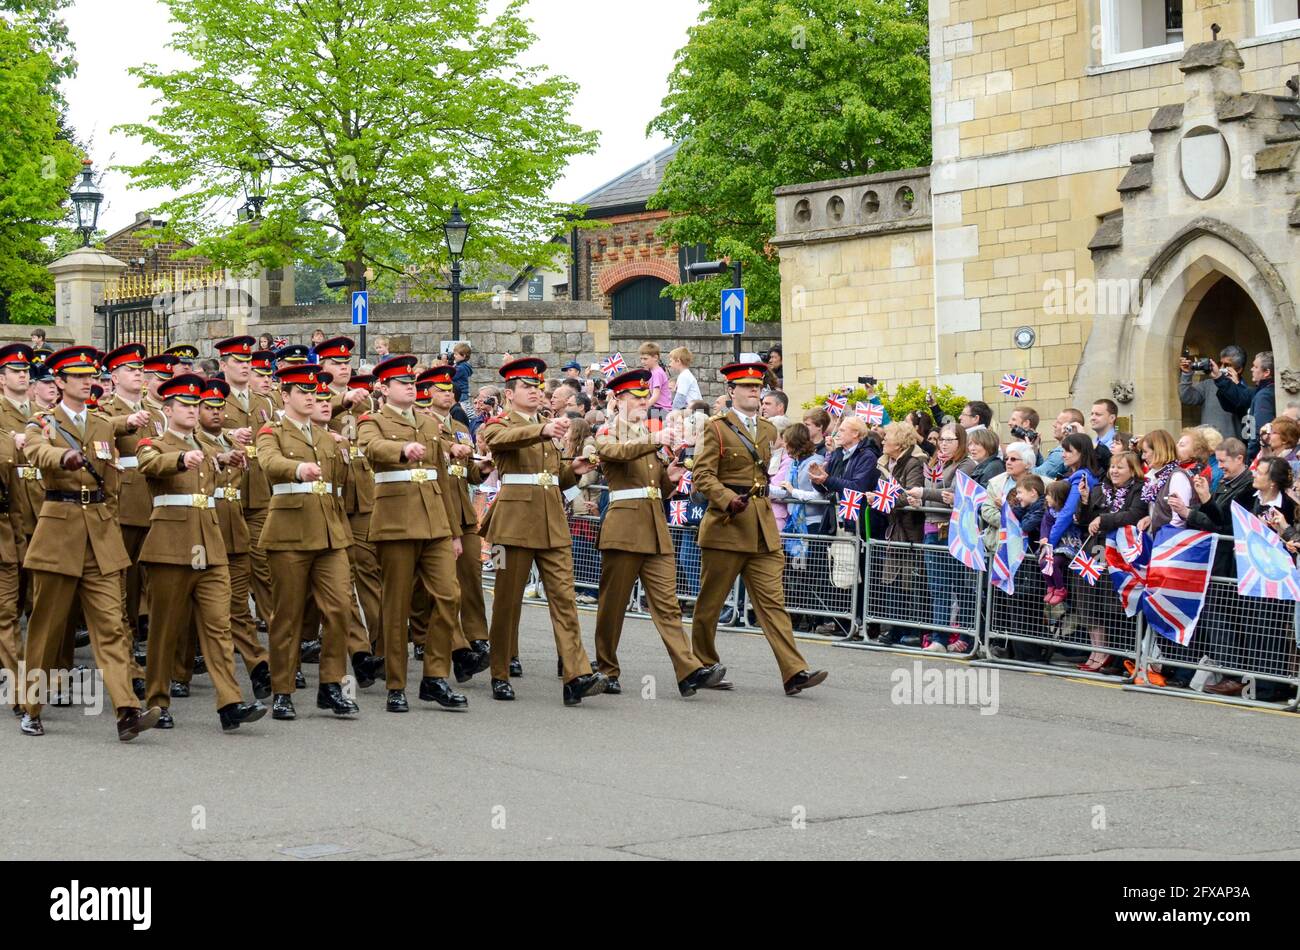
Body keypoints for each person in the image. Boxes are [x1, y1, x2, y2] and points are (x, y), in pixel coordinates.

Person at [19, 346, 162, 741]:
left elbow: (118, 458)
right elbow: (34, 449)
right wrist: (61, 457)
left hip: (99, 536)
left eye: (90, 376)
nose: (87, 381)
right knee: (47, 628)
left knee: (111, 627)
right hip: (59, 534)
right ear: (59, 383)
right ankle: (31, 707)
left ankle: (126, 710)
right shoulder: (43, 421)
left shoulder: (101, 424)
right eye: (78, 377)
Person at [135, 373, 267, 732]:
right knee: (165, 629)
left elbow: (214, 466)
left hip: (210, 548)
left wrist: (226, 460)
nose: (193, 411)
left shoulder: (210, 449)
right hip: (170, 549)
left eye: (197, 405)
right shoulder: (154, 443)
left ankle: (230, 702)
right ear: (167, 409)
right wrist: (180, 459)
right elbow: (150, 465)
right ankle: (158, 700)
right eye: (186, 405)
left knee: (218, 626)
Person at [690, 361, 829, 694]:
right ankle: (703, 664)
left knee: (772, 603)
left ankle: (794, 671)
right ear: (731, 391)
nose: (755, 391)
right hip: (727, 523)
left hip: (762, 525)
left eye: (758, 386)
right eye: (747, 387)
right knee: (711, 602)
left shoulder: (768, 429)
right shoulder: (716, 427)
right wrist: (725, 499)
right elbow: (702, 475)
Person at [480, 357, 608, 705]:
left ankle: (576, 674)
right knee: (507, 601)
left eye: (538, 387)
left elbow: (553, 477)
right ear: (509, 394)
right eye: (526, 387)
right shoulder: (497, 424)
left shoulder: (549, 425)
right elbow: (502, 442)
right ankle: (500, 671)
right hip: (511, 525)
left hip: (551, 521)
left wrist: (574, 470)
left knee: (564, 600)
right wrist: (540, 430)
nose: (535, 392)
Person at [591, 369, 724, 695]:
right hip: (623, 528)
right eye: (636, 397)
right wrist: (652, 439)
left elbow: (657, 488)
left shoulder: (647, 436)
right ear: (618, 399)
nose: (642, 401)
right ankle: (606, 667)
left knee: (667, 604)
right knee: (614, 604)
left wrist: (671, 475)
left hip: (654, 528)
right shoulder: (609, 431)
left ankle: (688, 669)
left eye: (644, 395)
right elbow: (613, 454)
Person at [356, 357, 468, 713]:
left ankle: (435, 676)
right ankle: (396, 682)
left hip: (435, 521)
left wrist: (453, 531)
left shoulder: (428, 423)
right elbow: (370, 448)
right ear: (384, 388)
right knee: (396, 604)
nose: (409, 386)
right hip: (396, 523)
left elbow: (443, 480)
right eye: (401, 382)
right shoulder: (373, 420)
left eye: (411, 381)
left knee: (449, 596)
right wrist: (401, 450)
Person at [255, 362, 359, 721]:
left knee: (340, 608)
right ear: (285, 396)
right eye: (302, 391)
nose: (311, 397)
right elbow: (268, 462)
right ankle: (282, 689)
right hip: (290, 533)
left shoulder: (327, 436)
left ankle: (331, 685)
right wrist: (297, 469)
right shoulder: (272, 430)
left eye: (314, 392)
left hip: (330, 532)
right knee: (287, 615)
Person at [422, 364, 492, 684]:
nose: (448, 393)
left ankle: (478, 638)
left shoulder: (461, 427)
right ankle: (458, 647)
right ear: (426, 393)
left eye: (450, 389)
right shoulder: (425, 426)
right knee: (444, 586)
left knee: (471, 576)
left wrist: (484, 468)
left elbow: (468, 475)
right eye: (440, 389)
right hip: (436, 510)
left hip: (462, 510)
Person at [905, 422, 977, 653]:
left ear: (961, 442)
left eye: (949, 440)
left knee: (958, 586)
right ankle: (939, 639)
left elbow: (954, 495)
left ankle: (964, 635)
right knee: (938, 587)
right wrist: (920, 501)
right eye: (941, 440)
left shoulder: (965, 464)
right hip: (931, 527)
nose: (943, 444)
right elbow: (938, 496)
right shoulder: (935, 463)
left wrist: (924, 493)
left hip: (951, 531)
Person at [872, 421, 927, 647]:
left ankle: (911, 631)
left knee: (911, 582)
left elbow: (911, 496)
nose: (883, 441)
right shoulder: (885, 464)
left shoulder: (914, 463)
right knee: (891, 582)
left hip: (911, 530)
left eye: (887, 437)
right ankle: (890, 630)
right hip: (894, 527)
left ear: (900, 441)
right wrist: (877, 497)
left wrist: (881, 498)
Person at [1215, 350, 1275, 460]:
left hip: (1258, 455)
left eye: (1255, 367)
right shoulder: (1260, 391)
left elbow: (1259, 431)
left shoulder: (1264, 395)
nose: (1251, 369)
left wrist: (1250, 455)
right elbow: (1238, 401)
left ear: (1266, 372)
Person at [1180, 345, 1245, 438]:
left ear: (1239, 369)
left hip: (1232, 447)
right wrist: (1186, 374)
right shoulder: (1208, 385)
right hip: (1209, 445)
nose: (1221, 367)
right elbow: (1186, 397)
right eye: (1220, 363)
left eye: (1227, 365)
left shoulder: (1245, 391)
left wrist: (1236, 386)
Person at [1138, 429, 1193, 535]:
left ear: (1158, 451)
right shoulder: (1155, 475)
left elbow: (1179, 520)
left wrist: (1164, 541)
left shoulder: (1177, 477)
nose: (1143, 457)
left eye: (1145, 452)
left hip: (1170, 544)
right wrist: (1150, 519)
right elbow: (1159, 510)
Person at [1035, 408, 1085, 478]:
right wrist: (1035, 449)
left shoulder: (1060, 453)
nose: (1054, 425)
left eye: (1059, 423)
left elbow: (1036, 475)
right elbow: (1046, 467)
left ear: (1070, 428)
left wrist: (1027, 453)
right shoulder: (1064, 452)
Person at [639, 342, 672, 423]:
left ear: (655, 358)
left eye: (645, 359)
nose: (642, 361)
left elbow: (655, 396)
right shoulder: (653, 372)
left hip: (662, 410)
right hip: (657, 408)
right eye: (641, 359)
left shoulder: (657, 373)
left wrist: (644, 407)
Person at [668, 347, 701, 411]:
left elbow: (680, 399)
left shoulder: (684, 376)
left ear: (678, 361)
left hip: (694, 411)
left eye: (671, 361)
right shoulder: (685, 375)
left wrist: (673, 413)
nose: (670, 364)